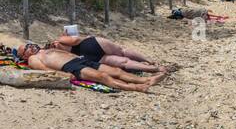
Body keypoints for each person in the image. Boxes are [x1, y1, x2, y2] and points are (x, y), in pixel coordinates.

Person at [18, 43, 165, 92]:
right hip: (70, 67)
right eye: (27, 48)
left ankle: (147, 80)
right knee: (103, 77)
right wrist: (63, 76)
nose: (32, 47)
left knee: (117, 71)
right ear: (24, 55)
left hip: (80, 60)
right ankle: (137, 87)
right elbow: (45, 70)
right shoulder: (33, 59)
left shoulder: (44, 49)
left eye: (31, 45)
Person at [48, 34, 168, 73]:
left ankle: (154, 68)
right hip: (90, 44)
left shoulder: (52, 55)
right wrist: (65, 35)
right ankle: (148, 61)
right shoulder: (60, 40)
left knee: (123, 62)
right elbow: (75, 40)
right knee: (122, 52)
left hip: (86, 57)